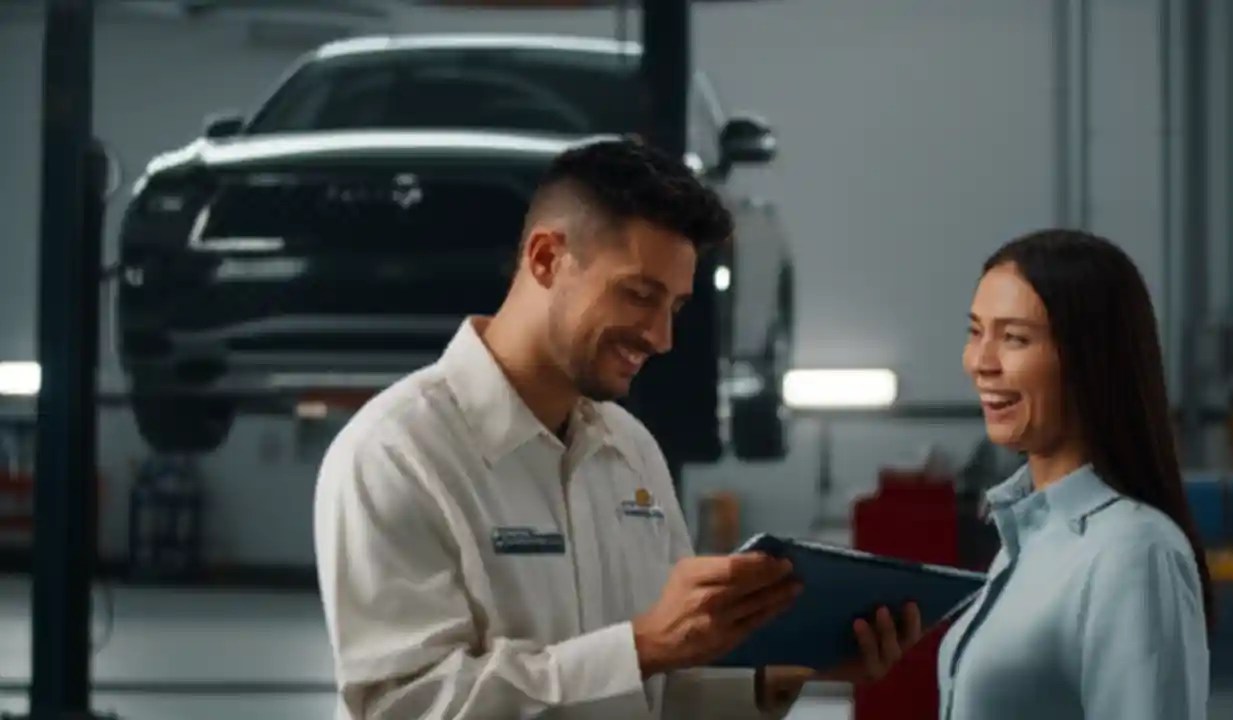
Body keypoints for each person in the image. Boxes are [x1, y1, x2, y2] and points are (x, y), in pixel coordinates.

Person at [313, 138, 921, 719]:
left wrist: (783, 671)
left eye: (675, 307)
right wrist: (640, 647)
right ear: (547, 259)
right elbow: (403, 708)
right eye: (637, 295)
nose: (661, 337)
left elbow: (662, 696)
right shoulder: (396, 454)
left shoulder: (629, 450)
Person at [941, 229, 1212, 720]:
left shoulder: (1132, 552)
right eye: (976, 331)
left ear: (1090, 358)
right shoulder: (1027, 541)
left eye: (1014, 338)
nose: (980, 362)